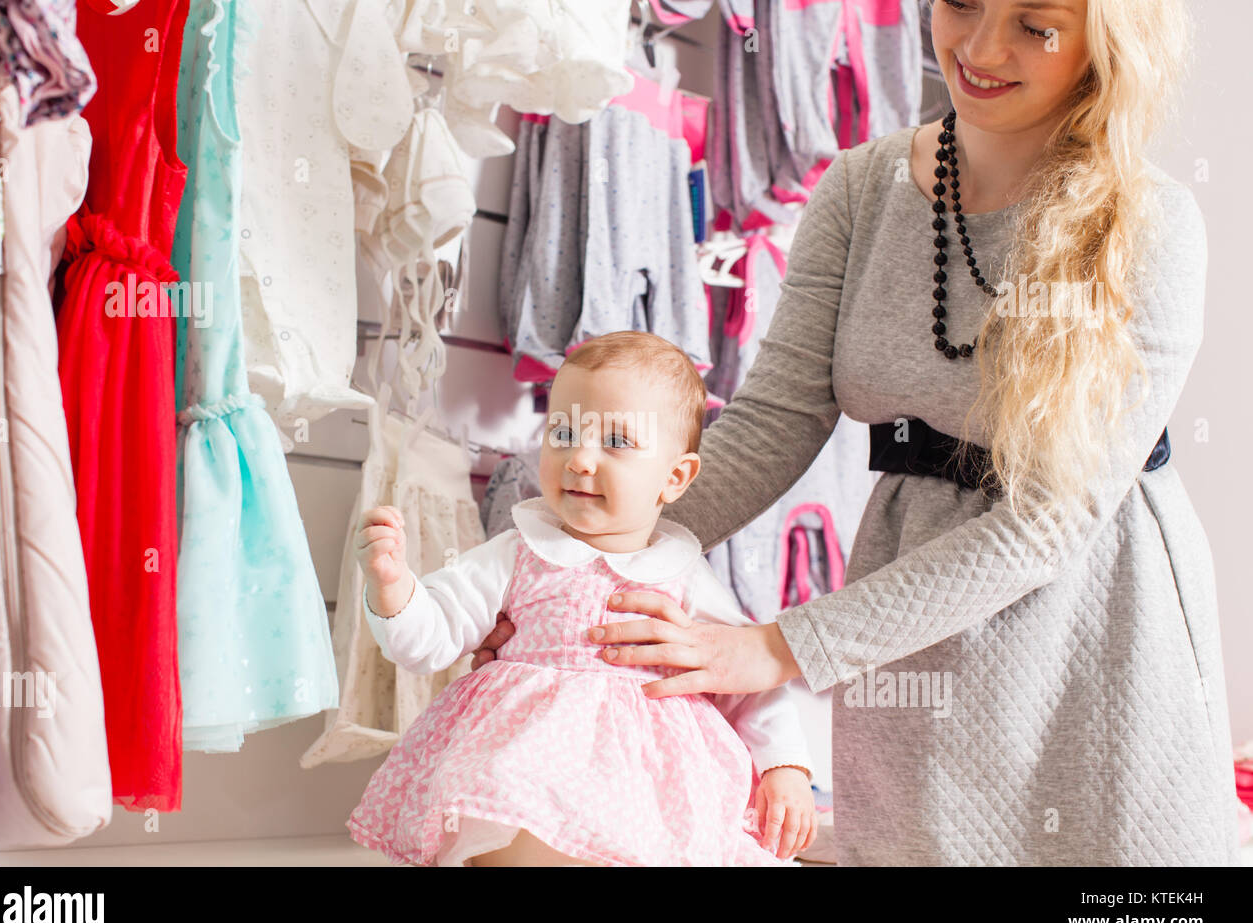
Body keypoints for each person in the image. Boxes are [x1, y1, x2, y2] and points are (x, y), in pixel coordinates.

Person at [472, 0, 1239, 865]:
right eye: (962, 4)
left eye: (1036, 23)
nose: (982, 48)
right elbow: (772, 422)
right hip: (907, 601)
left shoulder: (1152, 224)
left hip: (1094, 618)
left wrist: (778, 647)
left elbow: (1048, 522)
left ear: (1108, 42)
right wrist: (557, 575)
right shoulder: (863, 185)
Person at [346, 331, 818, 866]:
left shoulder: (683, 575)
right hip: (523, 772)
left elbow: (745, 678)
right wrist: (393, 588)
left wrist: (785, 768)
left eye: (615, 442)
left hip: (650, 790)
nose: (579, 459)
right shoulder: (518, 553)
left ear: (676, 476)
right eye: (564, 433)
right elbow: (426, 641)